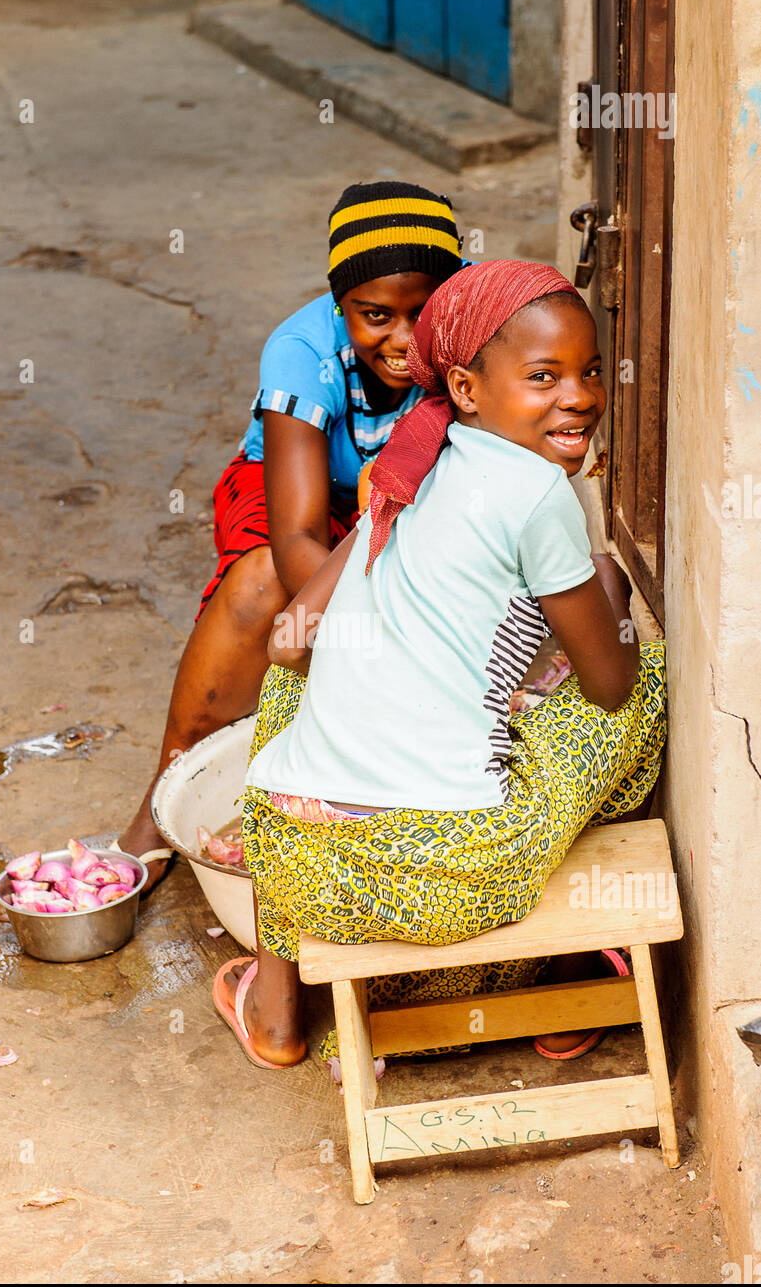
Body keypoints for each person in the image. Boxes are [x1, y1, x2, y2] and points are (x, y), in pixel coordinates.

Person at [212, 259, 666, 1070]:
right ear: (463, 386)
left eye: (590, 370)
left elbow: (295, 637)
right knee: (650, 685)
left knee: (296, 677)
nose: (580, 396)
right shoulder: (536, 494)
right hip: (453, 876)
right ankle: (565, 977)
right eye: (542, 377)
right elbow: (609, 685)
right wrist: (617, 600)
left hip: (305, 868)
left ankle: (277, 1012)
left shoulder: (414, 467)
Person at [115, 181, 464, 885]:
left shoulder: (476, 337)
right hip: (295, 494)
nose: (400, 339)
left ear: (453, 295)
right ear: (341, 307)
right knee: (262, 585)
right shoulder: (301, 351)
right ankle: (168, 785)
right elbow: (299, 533)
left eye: (421, 312)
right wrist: (382, 635)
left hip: (411, 497)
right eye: (373, 316)